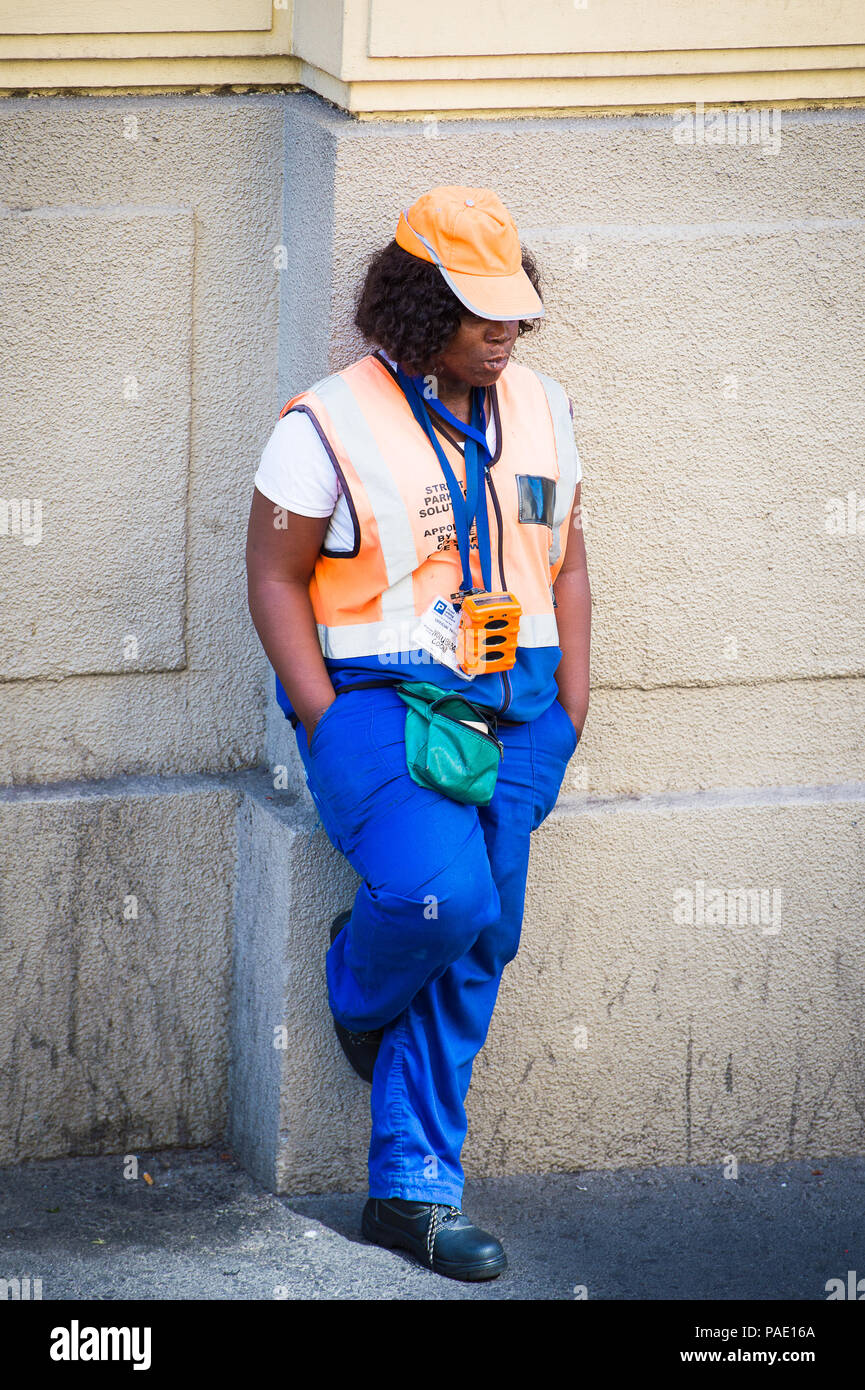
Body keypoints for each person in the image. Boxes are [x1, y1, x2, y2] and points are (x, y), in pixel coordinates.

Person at [245, 185, 591, 1282]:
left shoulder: (542, 405)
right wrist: (324, 714)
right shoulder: (326, 424)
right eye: (479, 311)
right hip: (384, 709)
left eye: (515, 311)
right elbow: (272, 574)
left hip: (523, 711)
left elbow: (567, 560)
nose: (504, 331)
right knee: (442, 902)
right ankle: (357, 984)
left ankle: (411, 1195)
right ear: (415, 305)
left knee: (479, 940)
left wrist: (573, 703)